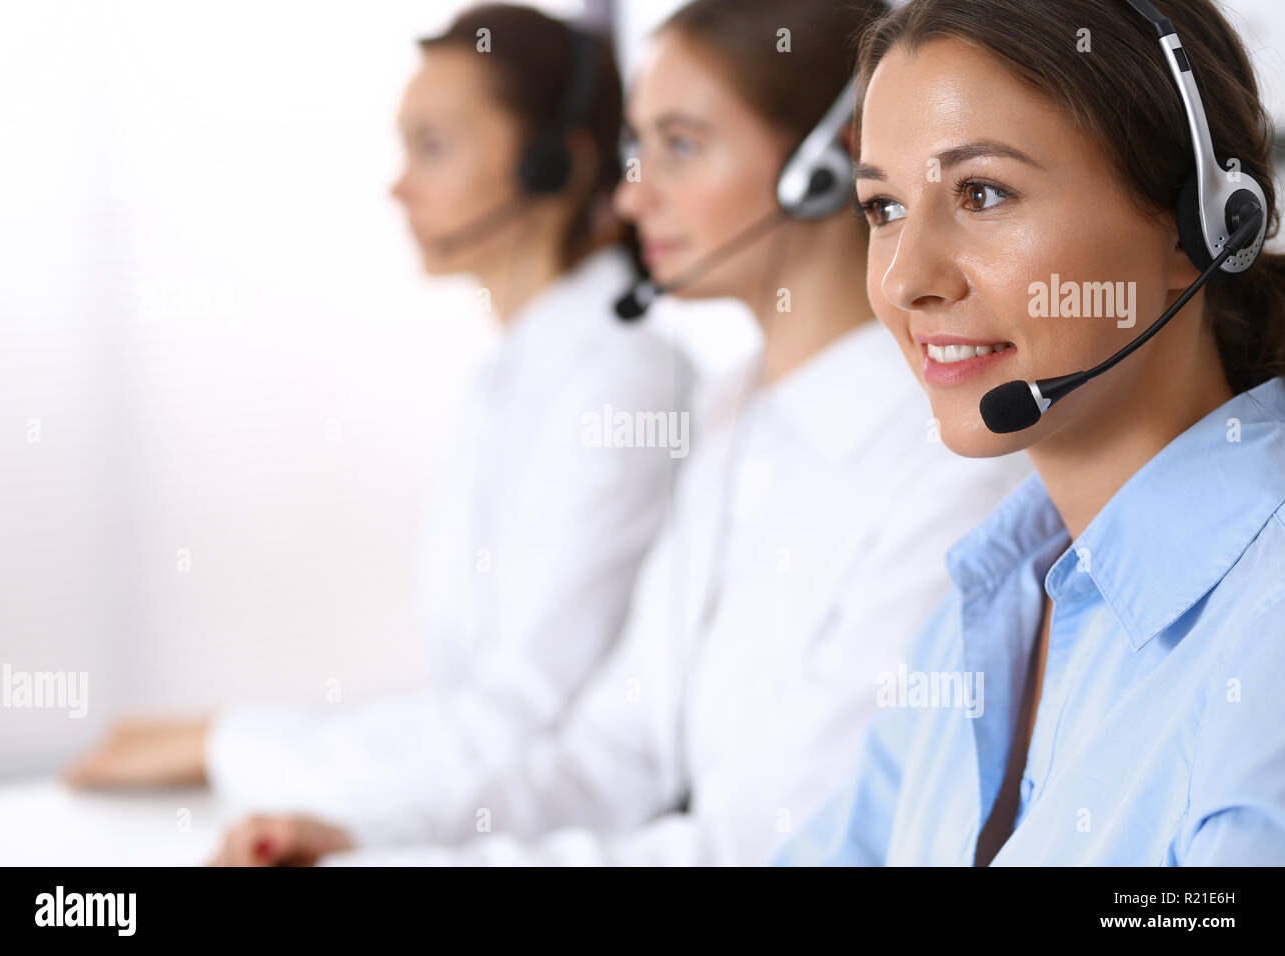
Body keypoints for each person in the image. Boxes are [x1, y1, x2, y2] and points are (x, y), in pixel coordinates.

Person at [205, 0, 1030, 867]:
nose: (633, 195)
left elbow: (775, 846)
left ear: (828, 163)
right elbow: (611, 754)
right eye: (640, 148)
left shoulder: (949, 462)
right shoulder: (729, 416)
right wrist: (360, 840)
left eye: (680, 144)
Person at [63, 4, 692, 834]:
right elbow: (466, 697)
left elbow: (515, 719)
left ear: (553, 166)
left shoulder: (620, 387)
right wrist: (229, 738)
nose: (399, 185)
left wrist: (224, 745)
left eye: (433, 146)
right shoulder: (510, 374)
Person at [776, 0, 1285, 866]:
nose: (905, 282)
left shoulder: (1264, 628)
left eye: (981, 193)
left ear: (1200, 226)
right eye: (883, 209)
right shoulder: (989, 606)